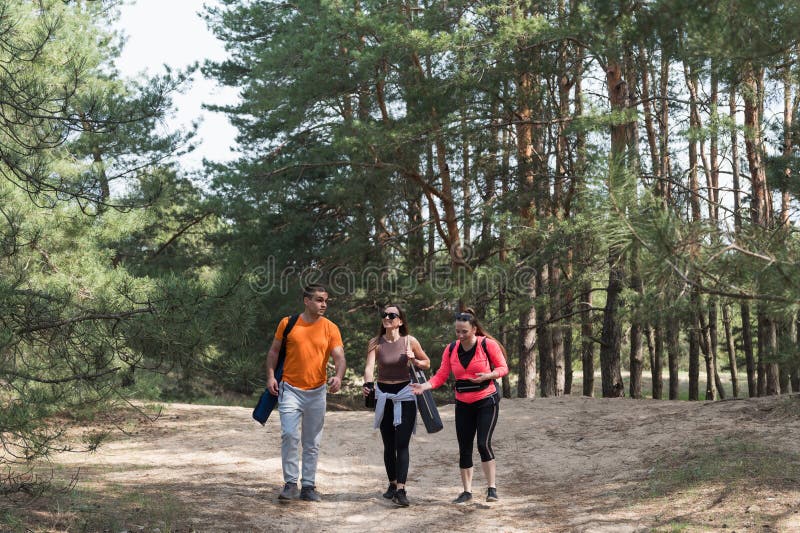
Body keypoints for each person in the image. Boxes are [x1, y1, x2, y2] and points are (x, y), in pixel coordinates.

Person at [411, 308, 508, 504]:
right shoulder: (451, 349)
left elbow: (503, 368)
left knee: (482, 443)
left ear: (474, 329)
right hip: (463, 403)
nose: (460, 335)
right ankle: (467, 491)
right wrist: (425, 386)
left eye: (464, 331)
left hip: (486, 400)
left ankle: (492, 489)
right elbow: (441, 375)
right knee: (464, 447)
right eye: (457, 331)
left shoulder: (487, 345)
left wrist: (488, 375)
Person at [266, 284, 346, 502]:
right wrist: (271, 376)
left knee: (312, 442)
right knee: (290, 435)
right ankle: (290, 484)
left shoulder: (330, 328)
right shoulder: (288, 323)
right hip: (290, 389)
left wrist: (338, 376)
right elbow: (274, 351)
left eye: (326, 301)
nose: (324, 304)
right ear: (306, 300)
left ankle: (308, 486)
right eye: (319, 300)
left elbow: (340, 357)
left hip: (317, 392)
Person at [363, 304, 430, 507]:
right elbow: (369, 368)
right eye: (384, 315)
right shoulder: (375, 343)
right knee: (388, 444)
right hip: (383, 395)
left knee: (402, 443)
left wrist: (415, 361)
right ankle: (392, 484)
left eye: (392, 315)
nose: (387, 317)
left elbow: (426, 362)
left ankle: (401, 489)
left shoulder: (410, 341)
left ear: (400, 321)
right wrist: (367, 384)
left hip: (405, 395)